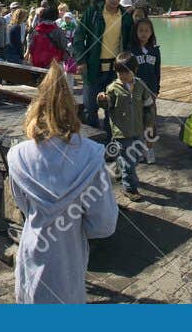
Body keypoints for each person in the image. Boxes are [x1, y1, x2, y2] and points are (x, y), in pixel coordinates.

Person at [7, 64, 118, 304]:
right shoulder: (90, 156)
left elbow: (23, 205)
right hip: (69, 257)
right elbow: (105, 224)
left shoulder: (18, 155)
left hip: (32, 249)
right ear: (73, 108)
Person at [74, 0, 130, 131]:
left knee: (112, 108)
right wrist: (81, 60)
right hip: (93, 67)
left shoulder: (125, 16)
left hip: (115, 70)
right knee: (90, 108)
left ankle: (109, 139)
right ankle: (93, 142)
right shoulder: (92, 12)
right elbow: (78, 36)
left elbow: (130, 42)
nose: (115, 0)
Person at [96, 55, 150, 200]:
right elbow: (107, 105)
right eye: (119, 72)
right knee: (130, 161)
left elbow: (149, 105)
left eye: (126, 72)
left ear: (135, 70)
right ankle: (129, 188)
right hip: (121, 132)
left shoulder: (140, 85)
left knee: (136, 156)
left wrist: (150, 124)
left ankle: (120, 167)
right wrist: (101, 100)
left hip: (137, 129)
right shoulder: (113, 88)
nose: (123, 76)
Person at [127, 18, 162, 164]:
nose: (143, 33)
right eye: (140, 30)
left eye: (147, 30)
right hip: (136, 92)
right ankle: (139, 150)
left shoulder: (155, 50)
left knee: (151, 122)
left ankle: (150, 150)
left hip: (151, 92)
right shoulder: (130, 50)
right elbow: (128, 72)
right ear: (135, 32)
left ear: (151, 32)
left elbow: (157, 71)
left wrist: (157, 89)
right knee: (137, 122)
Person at [27, 6, 70, 70]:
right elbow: (64, 45)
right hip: (52, 64)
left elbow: (30, 46)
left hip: (36, 62)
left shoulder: (36, 30)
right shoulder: (57, 31)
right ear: (54, 17)